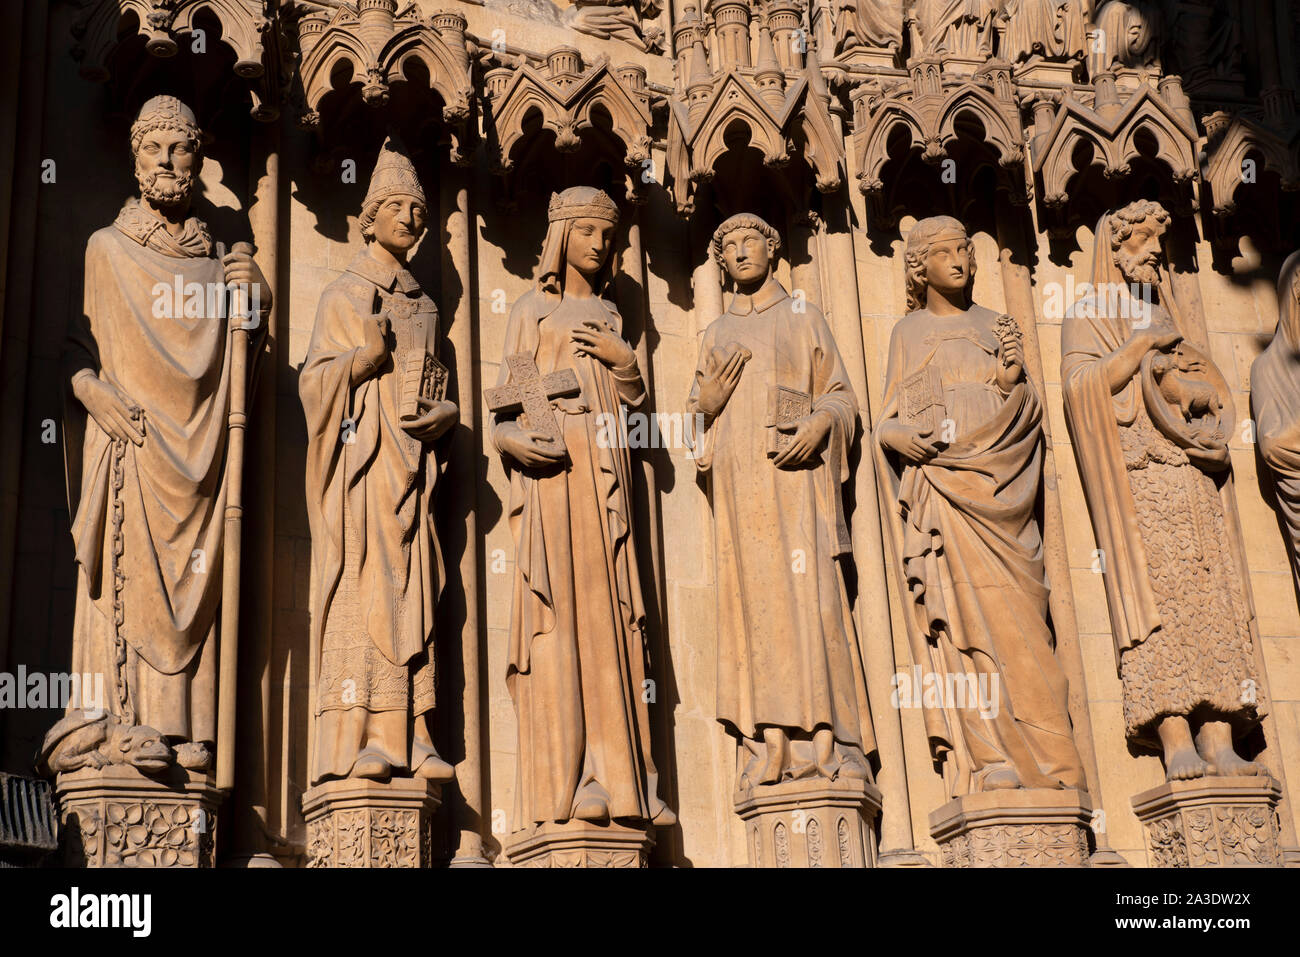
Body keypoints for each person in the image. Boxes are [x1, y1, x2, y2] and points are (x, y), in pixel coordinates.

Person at [47, 95, 270, 773]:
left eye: (180, 148)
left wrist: (253, 306)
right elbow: (73, 350)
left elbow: (240, 377)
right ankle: (117, 721)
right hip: (130, 444)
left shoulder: (219, 265)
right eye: (154, 148)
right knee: (129, 573)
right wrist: (93, 392)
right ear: (135, 155)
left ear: (198, 158)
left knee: (193, 576)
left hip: (196, 454)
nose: (168, 161)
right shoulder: (106, 250)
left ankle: (185, 727)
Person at [876, 215, 1086, 796]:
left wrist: (1011, 379)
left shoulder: (1000, 325)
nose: (960, 260)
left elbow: (1030, 412)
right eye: (943, 252)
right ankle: (990, 755)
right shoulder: (907, 332)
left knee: (1024, 621)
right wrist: (893, 437)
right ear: (920, 266)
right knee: (963, 626)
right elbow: (887, 418)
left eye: (965, 249)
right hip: (944, 488)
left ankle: (1051, 761)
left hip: (1003, 486)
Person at [492, 186, 673, 827]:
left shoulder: (614, 317)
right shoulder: (529, 312)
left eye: (609, 233)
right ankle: (560, 786)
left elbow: (633, 402)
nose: (601, 244)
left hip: (606, 479)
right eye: (589, 231)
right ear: (561, 236)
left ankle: (616, 775)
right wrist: (517, 441)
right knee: (560, 621)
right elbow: (507, 408)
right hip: (554, 478)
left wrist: (627, 366)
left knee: (610, 620)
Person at [687, 212, 874, 790]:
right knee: (757, 614)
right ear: (720, 262)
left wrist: (821, 426)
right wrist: (707, 405)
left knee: (812, 603)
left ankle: (826, 740)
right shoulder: (716, 334)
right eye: (729, 246)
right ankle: (769, 741)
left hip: (798, 486)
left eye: (751, 240)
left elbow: (842, 397)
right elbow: (692, 425)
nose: (741, 252)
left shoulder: (803, 315)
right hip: (743, 493)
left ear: (772, 249)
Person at [300, 138, 457, 784]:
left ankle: (416, 728)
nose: (411, 219)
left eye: (419, 209)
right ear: (370, 216)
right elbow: (313, 386)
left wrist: (445, 420)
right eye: (397, 206)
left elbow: (438, 387)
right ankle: (363, 730)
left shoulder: (426, 305)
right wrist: (361, 363)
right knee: (363, 591)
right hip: (360, 475)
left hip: (412, 477)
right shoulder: (344, 294)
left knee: (413, 591)